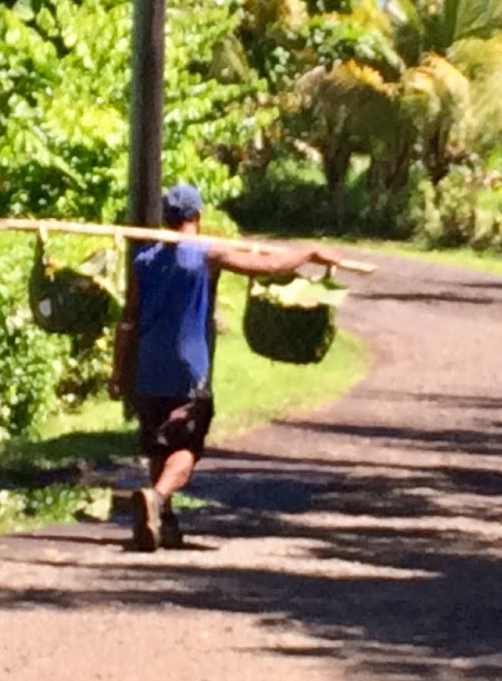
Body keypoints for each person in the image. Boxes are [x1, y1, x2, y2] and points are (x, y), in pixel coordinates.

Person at [108, 184, 342, 552]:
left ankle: (163, 522)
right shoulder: (206, 253)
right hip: (189, 368)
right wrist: (309, 253)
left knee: (158, 446)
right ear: (196, 217)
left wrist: (118, 370)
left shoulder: (144, 258)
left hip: (148, 365)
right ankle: (156, 498)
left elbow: (128, 318)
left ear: (166, 218)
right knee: (185, 448)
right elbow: (265, 265)